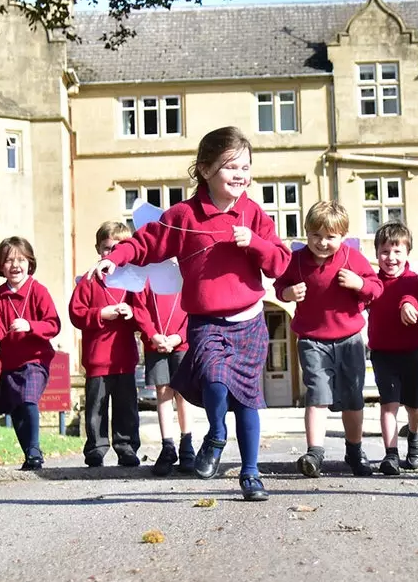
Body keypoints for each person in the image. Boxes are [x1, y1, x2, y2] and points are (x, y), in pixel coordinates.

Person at [91, 127, 291, 501]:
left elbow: (280, 263)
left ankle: (250, 474)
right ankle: (216, 433)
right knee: (214, 378)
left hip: (249, 320)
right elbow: (146, 243)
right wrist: (114, 259)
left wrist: (256, 243)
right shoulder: (184, 215)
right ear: (204, 168)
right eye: (230, 167)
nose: (240, 176)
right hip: (206, 322)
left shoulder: (254, 213)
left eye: (246, 168)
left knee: (248, 400)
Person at [276, 201, 383, 478]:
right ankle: (315, 452)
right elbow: (279, 287)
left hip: (349, 338)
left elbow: (376, 288)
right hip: (312, 339)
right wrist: (288, 293)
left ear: (343, 236)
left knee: (352, 398)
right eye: (316, 236)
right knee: (317, 394)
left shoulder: (352, 258)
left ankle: (355, 449)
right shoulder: (297, 260)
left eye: (330, 237)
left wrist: (359, 285)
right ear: (306, 233)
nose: (322, 243)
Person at [0, 236, 62, 471]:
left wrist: (31, 326)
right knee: (15, 407)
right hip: (10, 361)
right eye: (8, 260)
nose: (15, 265)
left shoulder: (38, 290)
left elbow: (53, 324)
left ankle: (35, 449)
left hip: (36, 358)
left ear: (30, 262)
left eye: (21, 260)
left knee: (28, 398)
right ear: (0, 265)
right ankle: (29, 453)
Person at [69, 222, 145, 468]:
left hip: (123, 356)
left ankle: (127, 447)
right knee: (96, 408)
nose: (111, 253)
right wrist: (102, 313)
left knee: (126, 408)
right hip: (97, 358)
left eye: (118, 248)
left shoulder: (132, 280)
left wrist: (131, 312)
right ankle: (96, 447)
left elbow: (143, 314)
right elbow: (76, 313)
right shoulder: (89, 280)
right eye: (106, 248)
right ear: (98, 249)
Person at [368, 221, 418, 475]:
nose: (390, 258)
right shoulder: (372, 283)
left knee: (414, 405)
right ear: (376, 254)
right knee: (388, 404)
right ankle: (391, 454)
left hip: (411, 351)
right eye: (385, 252)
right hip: (383, 354)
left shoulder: (416, 281)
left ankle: (415, 437)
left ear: (407, 253)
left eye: (397, 252)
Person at [135, 281, 197, 477]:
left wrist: (179, 337)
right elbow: (139, 308)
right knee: (163, 392)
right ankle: (167, 446)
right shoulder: (147, 276)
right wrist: (153, 335)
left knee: (183, 393)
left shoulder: (183, 274)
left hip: (182, 342)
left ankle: (187, 445)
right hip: (156, 344)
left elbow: (194, 306)